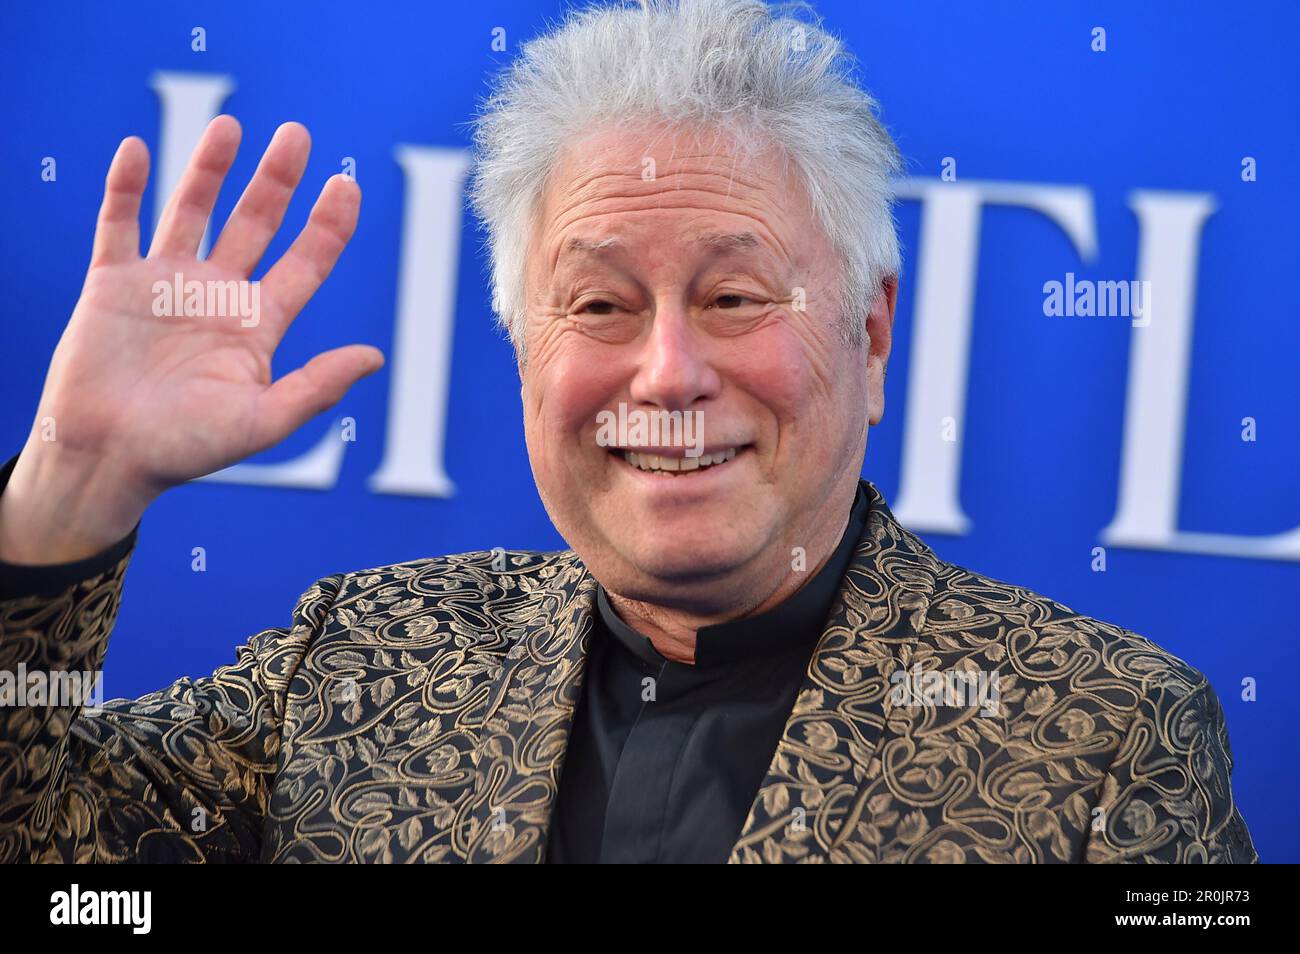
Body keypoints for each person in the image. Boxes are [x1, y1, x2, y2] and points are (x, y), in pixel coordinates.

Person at [0, 0, 1255, 863]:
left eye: (734, 296)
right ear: (523, 348)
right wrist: (71, 491)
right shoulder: (357, 662)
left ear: (871, 338)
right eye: (599, 302)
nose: (666, 369)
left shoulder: (1098, 737)